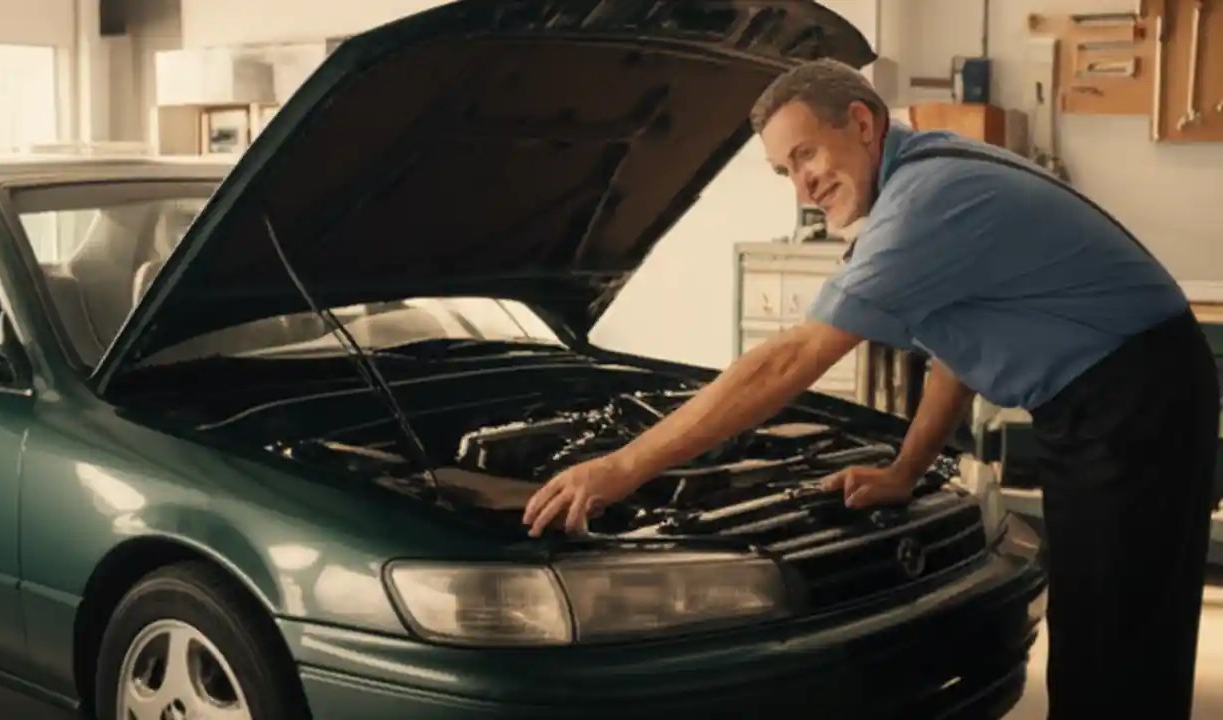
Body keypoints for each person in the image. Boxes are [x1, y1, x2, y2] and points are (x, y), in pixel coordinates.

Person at [522, 58, 1220, 718]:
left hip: (1133, 398)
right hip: (1113, 394)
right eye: (782, 172)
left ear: (860, 123)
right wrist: (903, 471)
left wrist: (623, 467)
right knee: (1104, 627)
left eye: (804, 156)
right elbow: (958, 350)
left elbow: (787, 360)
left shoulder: (926, 203)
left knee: (1117, 639)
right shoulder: (920, 178)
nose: (801, 187)